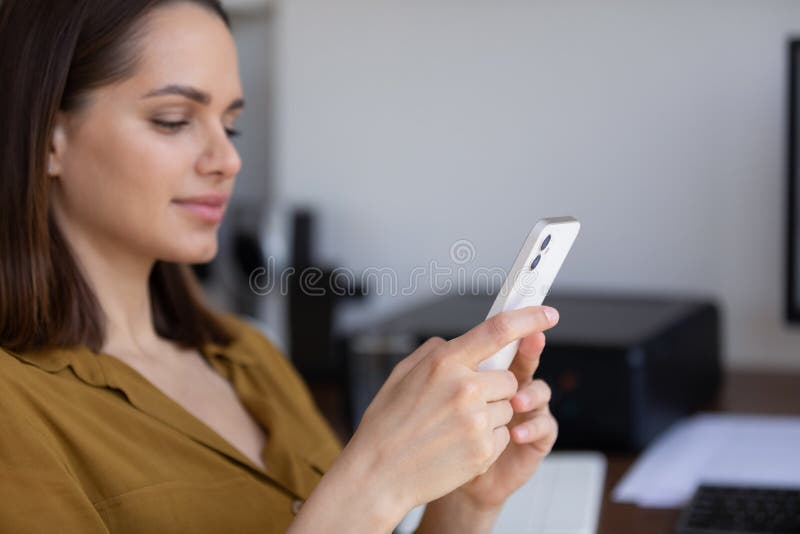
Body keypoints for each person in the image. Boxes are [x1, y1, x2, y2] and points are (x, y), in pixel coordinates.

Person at [0, 1, 560, 532]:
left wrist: (462, 504)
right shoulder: (15, 407)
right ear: (49, 135)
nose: (228, 159)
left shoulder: (250, 356)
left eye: (231, 125)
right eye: (173, 120)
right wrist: (372, 480)